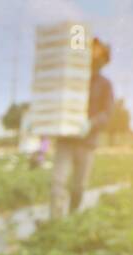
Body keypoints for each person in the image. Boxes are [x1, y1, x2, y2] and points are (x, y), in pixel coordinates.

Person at [50, 37, 113, 217]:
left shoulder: (105, 85)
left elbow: (107, 113)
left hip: (87, 142)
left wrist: (91, 123)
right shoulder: (70, 81)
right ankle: (55, 224)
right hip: (65, 141)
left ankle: (72, 217)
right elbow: (55, 108)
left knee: (78, 186)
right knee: (58, 182)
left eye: (99, 57)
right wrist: (42, 147)